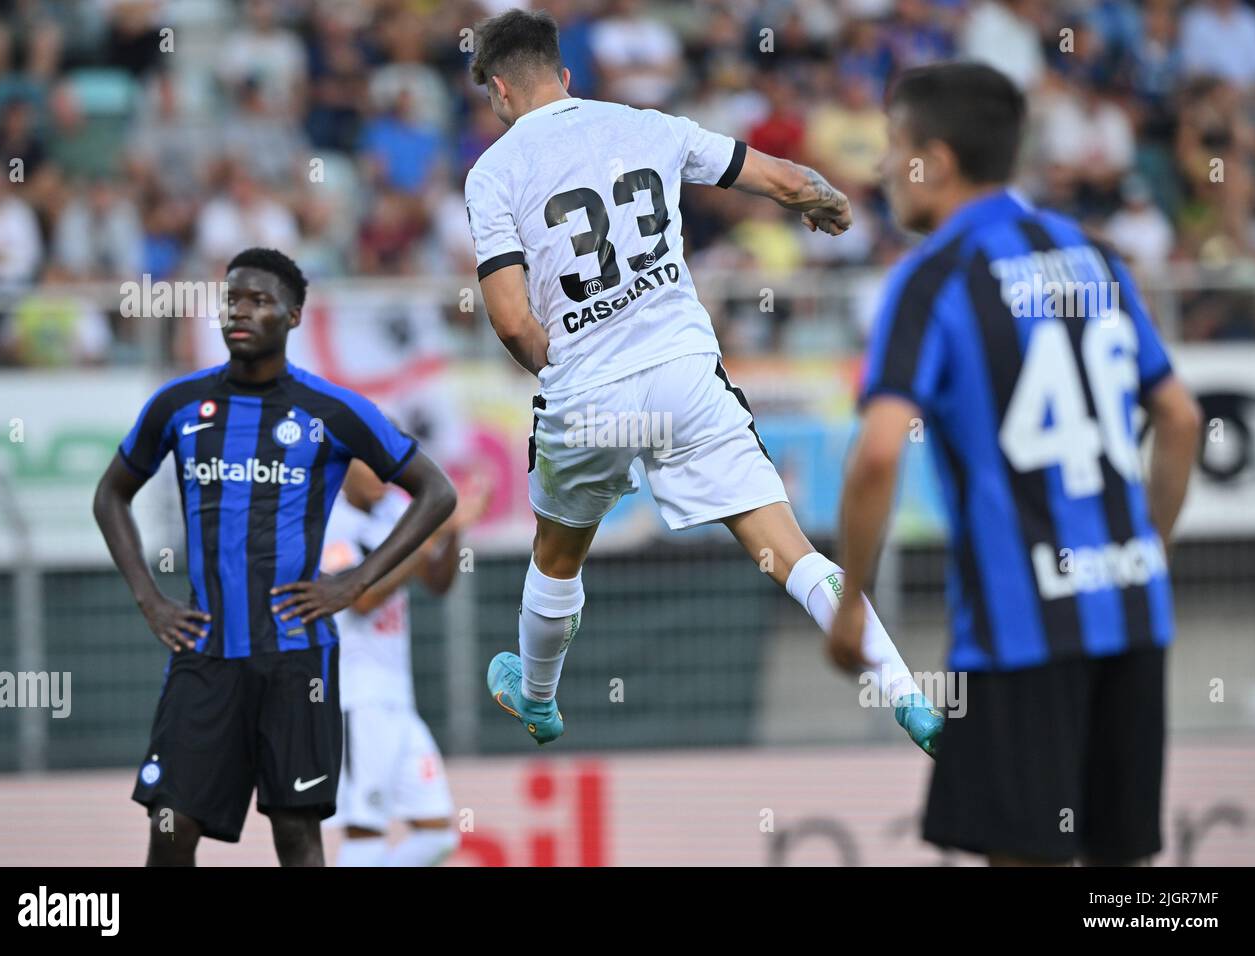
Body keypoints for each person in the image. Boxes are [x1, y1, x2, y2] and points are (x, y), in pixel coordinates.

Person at [463, 9, 941, 753]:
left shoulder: (493, 173)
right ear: (565, 75)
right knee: (789, 551)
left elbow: (511, 321)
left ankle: (538, 698)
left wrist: (561, 372)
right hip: (686, 378)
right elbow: (783, 179)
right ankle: (910, 696)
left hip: (587, 392)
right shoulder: (651, 124)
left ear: (497, 91)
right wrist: (823, 201)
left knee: (557, 554)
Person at [832, 63, 1203, 865]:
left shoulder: (932, 279)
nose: (884, 166)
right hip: (1132, 610)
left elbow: (877, 455)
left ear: (936, 158)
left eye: (895, 146)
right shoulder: (1092, 255)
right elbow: (1180, 417)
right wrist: (1147, 552)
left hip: (1019, 630)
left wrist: (851, 599)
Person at [92, 247, 456, 865]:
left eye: (259, 301)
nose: (241, 312)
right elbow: (111, 496)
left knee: (296, 836)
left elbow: (436, 491)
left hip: (297, 664)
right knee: (172, 828)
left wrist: (355, 581)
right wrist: (150, 599)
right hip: (205, 655)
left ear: (291, 317)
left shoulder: (330, 410)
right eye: (233, 299)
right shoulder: (179, 404)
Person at [322, 462, 488, 867]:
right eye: (371, 463)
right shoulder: (327, 521)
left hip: (399, 697)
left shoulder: (397, 508)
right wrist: (434, 531)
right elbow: (360, 598)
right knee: (366, 832)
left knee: (438, 837)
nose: (384, 474)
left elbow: (438, 582)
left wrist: (454, 529)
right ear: (345, 466)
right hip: (358, 700)